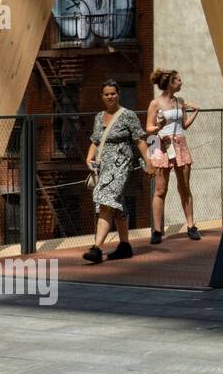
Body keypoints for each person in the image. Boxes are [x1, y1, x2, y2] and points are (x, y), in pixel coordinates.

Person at [83, 80, 154, 264]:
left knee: (105, 199)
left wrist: (149, 163)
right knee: (116, 202)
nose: (110, 97)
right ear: (102, 96)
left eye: (113, 93)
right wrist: (88, 158)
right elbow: (96, 140)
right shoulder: (99, 117)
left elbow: (139, 140)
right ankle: (124, 246)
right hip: (104, 165)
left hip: (121, 165)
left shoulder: (128, 115)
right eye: (106, 94)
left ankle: (96, 248)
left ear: (118, 94)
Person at [145, 68, 201, 244]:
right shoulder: (155, 103)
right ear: (170, 83)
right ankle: (157, 230)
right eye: (178, 80)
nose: (181, 82)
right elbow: (149, 129)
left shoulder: (180, 101)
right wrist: (152, 153)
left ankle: (191, 225)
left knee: (185, 187)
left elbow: (183, 125)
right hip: (162, 145)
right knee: (161, 189)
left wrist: (196, 112)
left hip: (180, 144)